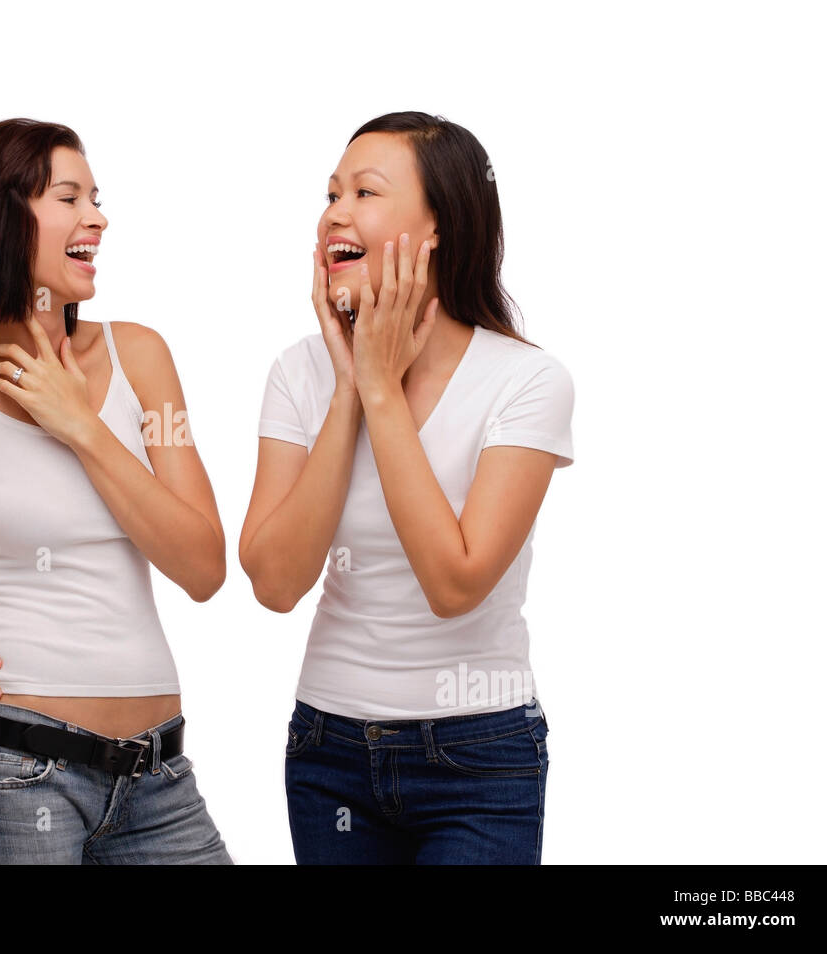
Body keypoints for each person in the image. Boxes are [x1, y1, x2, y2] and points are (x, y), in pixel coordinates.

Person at [241, 111, 574, 864]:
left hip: (481, 756)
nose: (335, 214)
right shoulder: (299, 371)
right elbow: (274, 580)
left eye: (365, 192)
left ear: (439, 230)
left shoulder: (527, 381)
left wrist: (382, 392)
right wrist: (349, 392)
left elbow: (456, 581)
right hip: (329, 750)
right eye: (331, 194)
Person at [0, 118, 232, 864]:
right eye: (70, 197)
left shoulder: (141, 355)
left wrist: (82, 427)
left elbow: (203, 567)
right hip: (12, 774)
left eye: (97, 197)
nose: (98, 217)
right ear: (0, 217)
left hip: (159, 777)